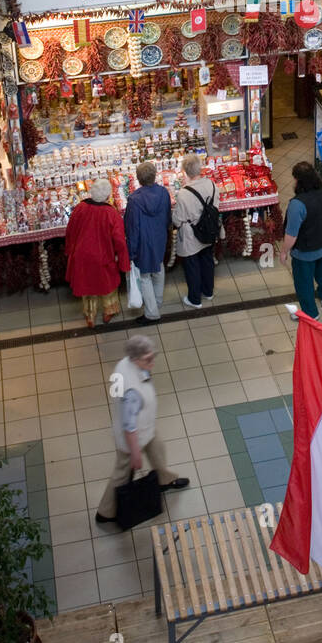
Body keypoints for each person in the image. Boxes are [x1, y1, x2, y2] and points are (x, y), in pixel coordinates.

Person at [95, 335, 189, 524]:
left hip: (147, 428)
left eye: (153, 356)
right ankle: (106, 512)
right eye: (148, 359)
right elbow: (129, 426)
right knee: (122, 473)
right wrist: (136, 453)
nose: (152, 361)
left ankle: (164, 479)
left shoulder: (127, 364)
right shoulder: (131, 393)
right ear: (135, 359)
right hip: (133, 438)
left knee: (158, 449)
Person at [64, 177, 130, 328]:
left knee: (87, 287)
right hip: (103, 257)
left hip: (82, 255)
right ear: (108, 195)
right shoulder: (111, 213)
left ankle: (90, 315)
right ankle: (108, 311)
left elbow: (70, 231)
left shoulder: (80, 208)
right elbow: (119, 240)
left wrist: (70, 250)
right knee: (108, 287)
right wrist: (124, 263)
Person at [279, 161, 322, 321]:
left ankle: (311, 313)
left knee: (304, 282)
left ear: (299, 181)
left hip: (305, 251)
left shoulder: (297, 204)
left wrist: (284, 252)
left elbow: (291, 235)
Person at [172, 154, 224, 310]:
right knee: (207, 259)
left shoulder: (183, 193)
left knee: (192, 265)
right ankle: (208, 292)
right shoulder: (212, 184)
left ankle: (195, 299)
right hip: (209, 230)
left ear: (185, 172)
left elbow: (178, 220)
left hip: (191, 235)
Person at [124, 160, 172, 325]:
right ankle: (157, 302)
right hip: (159, 237)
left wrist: (131, 251)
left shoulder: (134, 200)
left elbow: (132, 228)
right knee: (159, 269)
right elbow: (167, 217)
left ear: (138, 179)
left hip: (144, 242)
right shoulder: (164, 192)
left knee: (144, 276)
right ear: (155, 175)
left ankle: (152, 313)